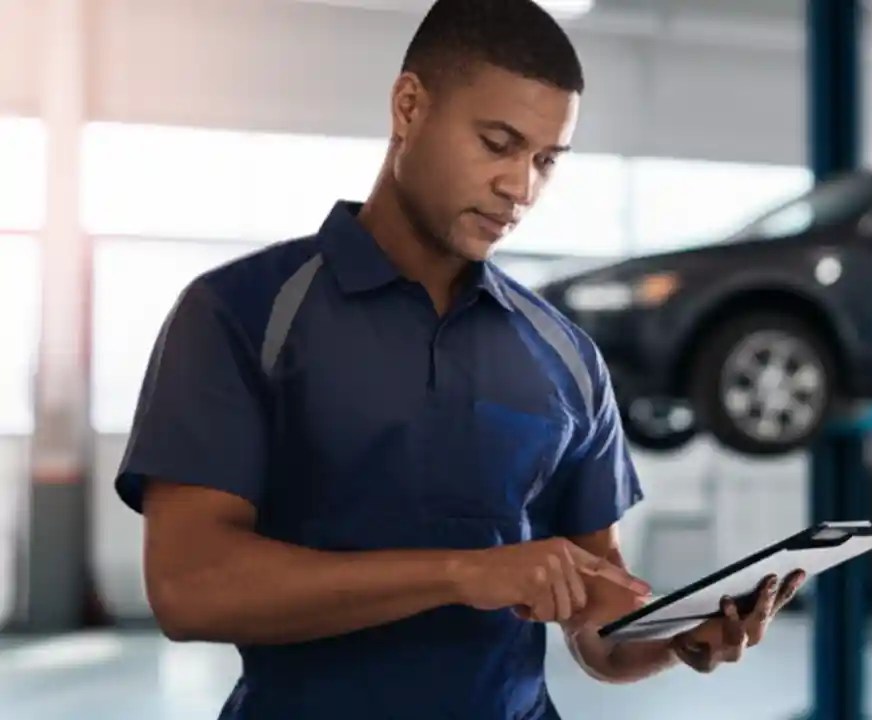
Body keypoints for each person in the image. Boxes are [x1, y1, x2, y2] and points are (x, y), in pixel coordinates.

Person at [115, 1, 805, 718]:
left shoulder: (565, 356)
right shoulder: (242, 313)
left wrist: (673, 635)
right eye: (497, 143)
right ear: (409, 105)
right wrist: (461, 574)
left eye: (545, 160)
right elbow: (189, 589)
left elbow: (598, 629)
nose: (521, 188)